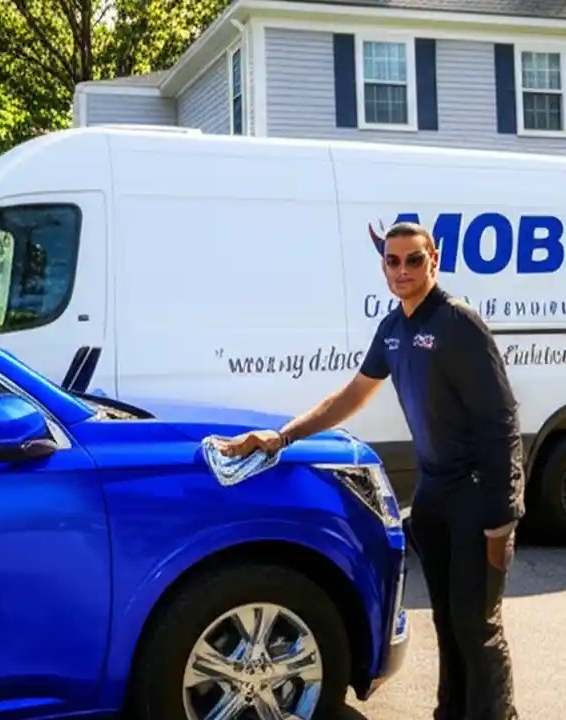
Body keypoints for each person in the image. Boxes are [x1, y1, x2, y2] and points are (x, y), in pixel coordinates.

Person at [215, 221, 525, 719]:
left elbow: (503, 418)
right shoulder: (394, 328)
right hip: (435, 496)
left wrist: (502, 515)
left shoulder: (458, 323)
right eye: (393, 261)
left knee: (478, 626)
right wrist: (284, 435)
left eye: (414, 260)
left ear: (435, 260)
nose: (402, 271)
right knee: (448, 622)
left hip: (476, 497)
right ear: (383, 265)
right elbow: (354, 394)